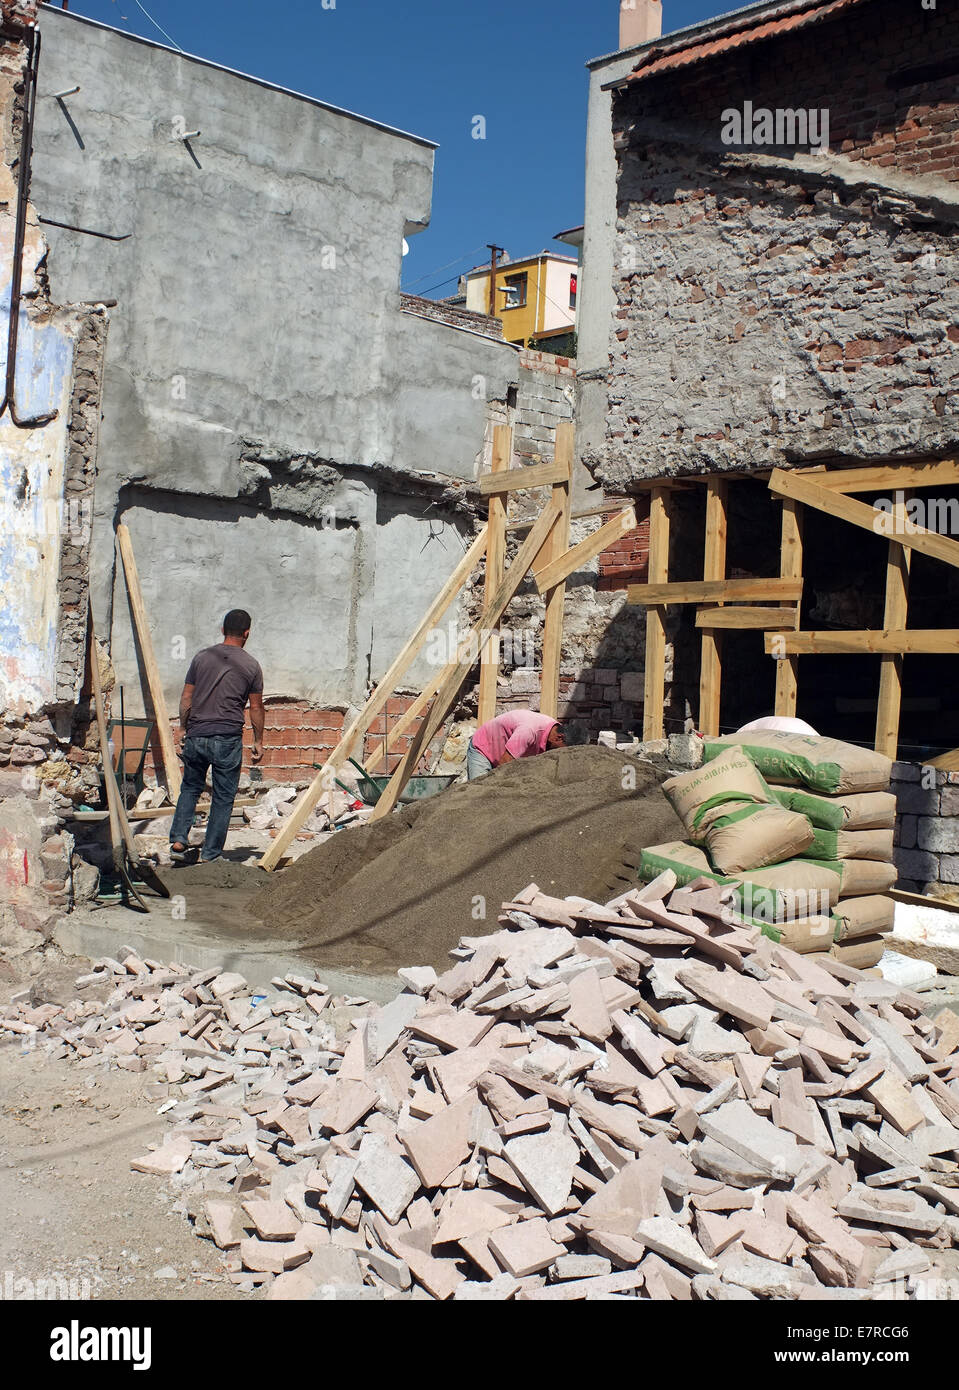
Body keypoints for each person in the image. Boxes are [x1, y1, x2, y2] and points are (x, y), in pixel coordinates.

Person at [169, 609, 264, 862]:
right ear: (247, 633)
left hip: (197, 734)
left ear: (222, 630)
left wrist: (183, 727)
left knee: (190, 788)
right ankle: (210, 853)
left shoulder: (201, 658)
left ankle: (178, 839)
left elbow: (186, 697)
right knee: (223, 796)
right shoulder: (252, 665)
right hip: (227, 737)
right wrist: (258, 740)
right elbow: (256, 707)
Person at [466, 709, 565, 780]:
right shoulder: (528, 731)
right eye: (562, 749)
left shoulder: (556, 728)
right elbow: (504, 764)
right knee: (478, 790)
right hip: (483, 748)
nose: (561, 753)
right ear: (559, 738)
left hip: (504, 751)